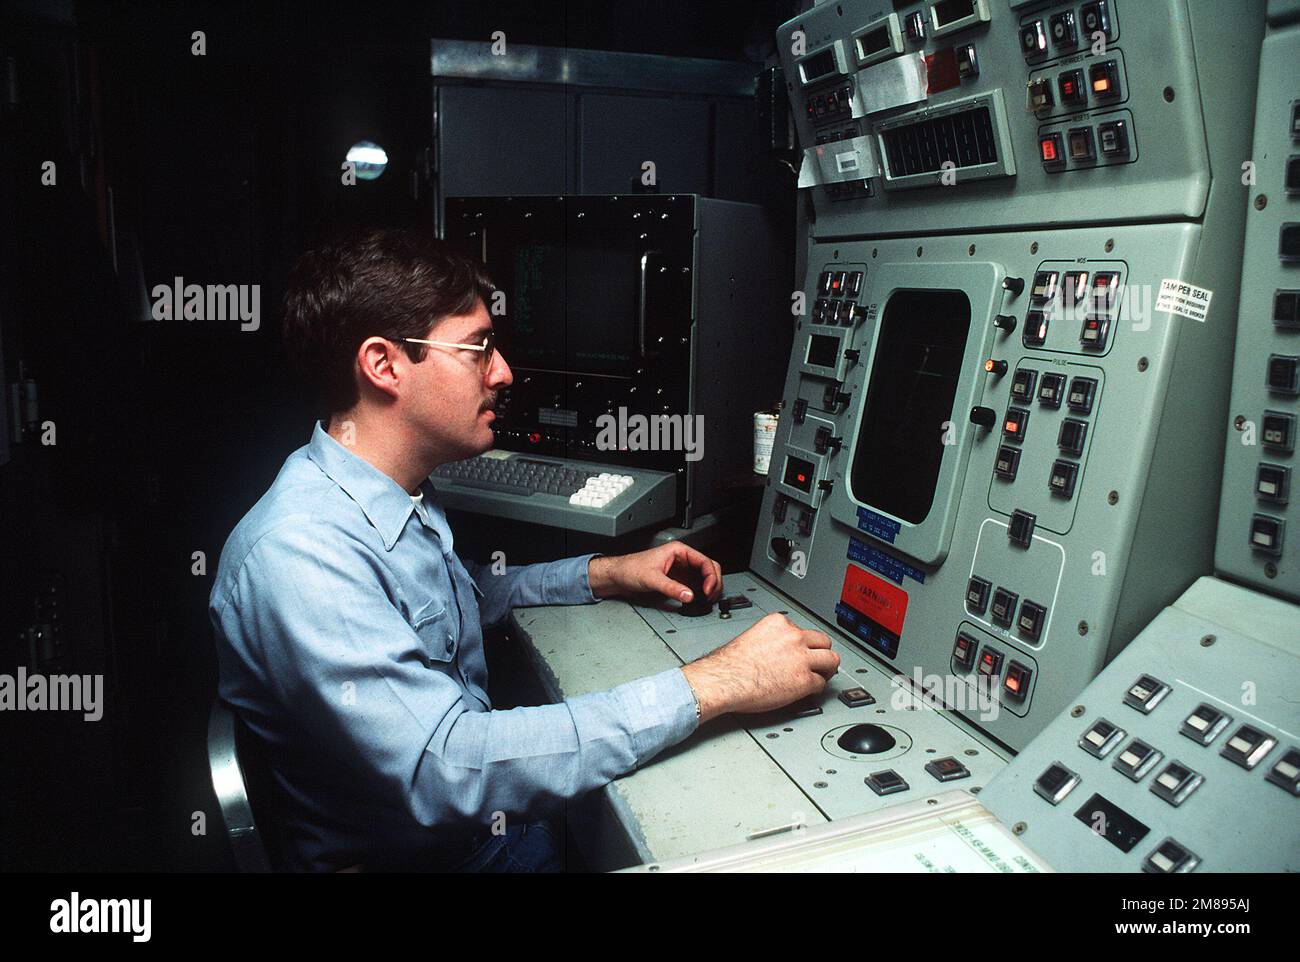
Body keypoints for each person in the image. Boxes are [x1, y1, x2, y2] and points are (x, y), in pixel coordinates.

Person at [209, 229, 838, 871]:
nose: (503, 371)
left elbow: (459, 604)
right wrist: (718, 681)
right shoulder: (300, 556)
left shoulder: (387, 494)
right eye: (478, 348)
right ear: (384, 365)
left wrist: (605, 574)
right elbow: (448, 769)